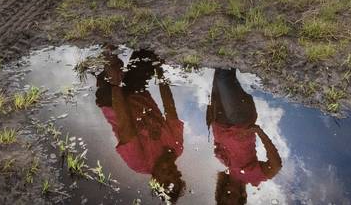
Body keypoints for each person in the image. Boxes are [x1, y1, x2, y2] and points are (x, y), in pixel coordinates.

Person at [95, 47, 187, 202]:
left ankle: (104, 70)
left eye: (167, 176)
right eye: (175, 173)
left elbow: (124, 124)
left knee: (110, 61)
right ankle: (118, 71)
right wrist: (159, 71)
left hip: (112, 102)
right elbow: (169, 106)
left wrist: (115, 84)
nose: (171, 169)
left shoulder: (139, 163)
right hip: (137, 92)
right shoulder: (177, 147)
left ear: (155, 180)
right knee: (149, 52)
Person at [207, 68, 282, 204]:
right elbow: (276, 166)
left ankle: (228, 48)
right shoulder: (252, 177)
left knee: (220, 71)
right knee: (224, 77)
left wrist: (211, 116)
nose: (227, 193)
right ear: (242, 197)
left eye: (224, 197)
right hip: (239, 119)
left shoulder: (226, 164)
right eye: (232, 198)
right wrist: (259, 132)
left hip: (220, 120)